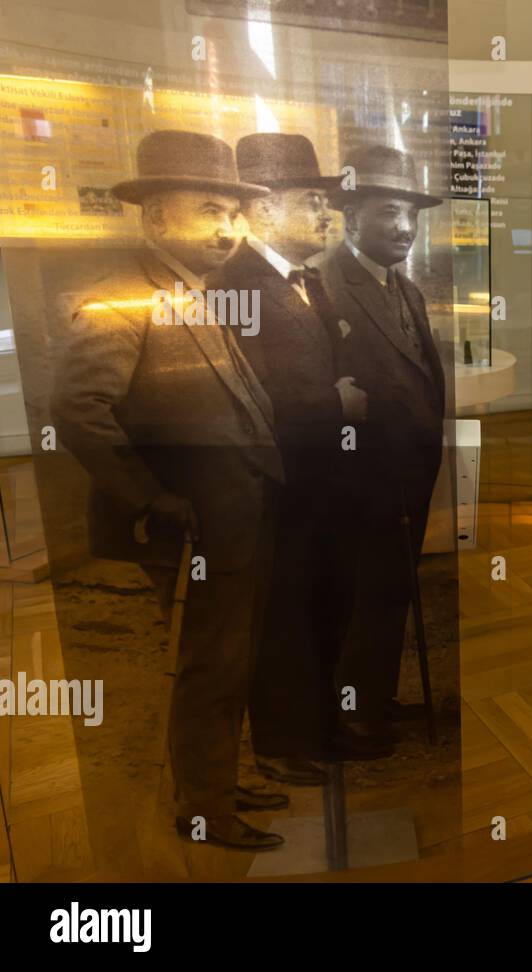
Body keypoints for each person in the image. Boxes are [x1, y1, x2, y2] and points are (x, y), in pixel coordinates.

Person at [51, 130, 286, 851]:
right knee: (208, 665)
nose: (227, 228)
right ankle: (203, 810)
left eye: (236, 213)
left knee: (230, 660)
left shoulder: (196, 291)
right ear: (155, 218)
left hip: (234, 521)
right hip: (192, 530)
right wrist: (150, 496)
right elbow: (78, 411)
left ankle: (215, 780)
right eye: (210, 209)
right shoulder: (121, 298)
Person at [207, 133, 386, 788]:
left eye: (325, 201)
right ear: (261, 212)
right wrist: (333, 402)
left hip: (328, 490)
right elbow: (244, 400)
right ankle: (282, 744)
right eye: (311, 200)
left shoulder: (310, 280)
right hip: (279, 495)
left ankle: (321, 726)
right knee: (284, 619)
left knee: (328, 609)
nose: (325, 214)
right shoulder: (235, 287)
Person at [319, 144, 446, 743]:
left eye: (413, 216)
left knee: (393, 589)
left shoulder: (407, 290)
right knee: (358, 594)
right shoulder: (324, 286)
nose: (405, 228)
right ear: (352, 217)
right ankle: (348, 712)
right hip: (357, 482)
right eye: (390, 212)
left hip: (408, 476)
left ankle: (375, 695)